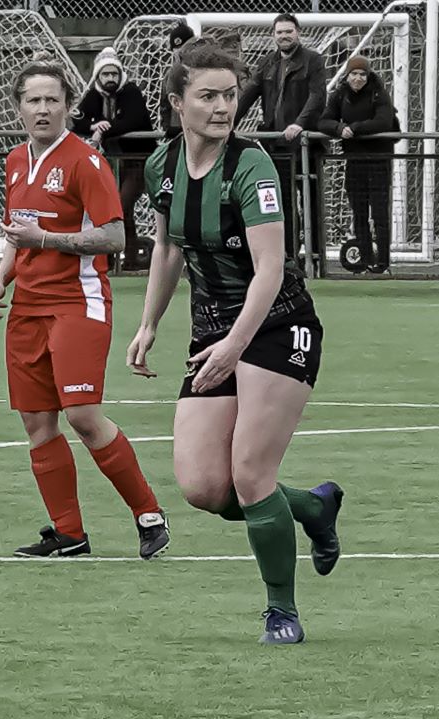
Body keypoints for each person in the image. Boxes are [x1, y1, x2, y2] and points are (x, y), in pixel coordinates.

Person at [128, 38, 344, 645]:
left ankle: (282, 610)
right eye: (208, 96)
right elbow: (169, 247)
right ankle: (312, 507)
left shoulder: (252, 166)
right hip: (212, 331)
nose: (223, 107)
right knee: (204, 488)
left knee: (250, 474)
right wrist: (149, 324)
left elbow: (271, 270)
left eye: (229, 95)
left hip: (278, 325)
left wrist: (233, 346)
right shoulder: (161, 165)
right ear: (177, 103)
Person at [0, 58, 170, 560]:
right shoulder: (17, 160)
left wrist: (44, 237)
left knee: (83, 415)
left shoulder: (86, 161)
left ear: (68, 105)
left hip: (77, 304)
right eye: (33, 100)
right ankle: (69, 534)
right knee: (37, 423)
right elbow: (15, 233)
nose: (43, 109)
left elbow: (114, 236)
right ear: (18, 107)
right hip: (28, 309)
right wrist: (1, 280)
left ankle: (148, 513)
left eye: (52, 100)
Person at [235, 13, 327, 269]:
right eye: (279, 32)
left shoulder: (313, 61)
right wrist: (226, 124)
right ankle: (287, 259)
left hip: (307, 146)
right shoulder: (267, 63)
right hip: (276, 146)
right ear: (273, 35)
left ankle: (316, 259)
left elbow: (318, 96)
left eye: (289, 31)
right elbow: (247, 96)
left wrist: (300, 123)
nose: (284, 36)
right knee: (282, 204)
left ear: (298, 32)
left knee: (312, 203)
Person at [72, 47, 156, 270]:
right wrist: (93, 126)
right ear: (98, 76)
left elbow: (134, 121)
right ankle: (112, 259)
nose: (110, 79)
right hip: (112, 163)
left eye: (114, 74)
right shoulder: (94, 95)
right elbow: (75, 120)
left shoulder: (131, 92)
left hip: (138, 160)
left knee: (122, 204)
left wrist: (104, 131)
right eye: (106, 74)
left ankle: (129, 256)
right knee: (111, 208)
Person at [318, 54, 400, 273]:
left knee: (380, 212)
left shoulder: (378, 93)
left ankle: (382, 261)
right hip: (354, 161)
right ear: (347, 75)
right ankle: (364, 258)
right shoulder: (339, 95)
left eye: (362, 74)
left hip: (378, 160)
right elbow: (324, 120)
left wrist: (354, 128)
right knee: (359, 211)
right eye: (354, 74)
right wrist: (338, 129)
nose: (358, 78)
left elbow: (383, 121)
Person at [159, 21, 197, 140]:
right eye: (177, 49)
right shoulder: (169, 76)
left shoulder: (204, 72)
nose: (180, 52)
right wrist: (168, 127)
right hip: (178, 134)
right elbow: (164, 105)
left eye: (184, 47)